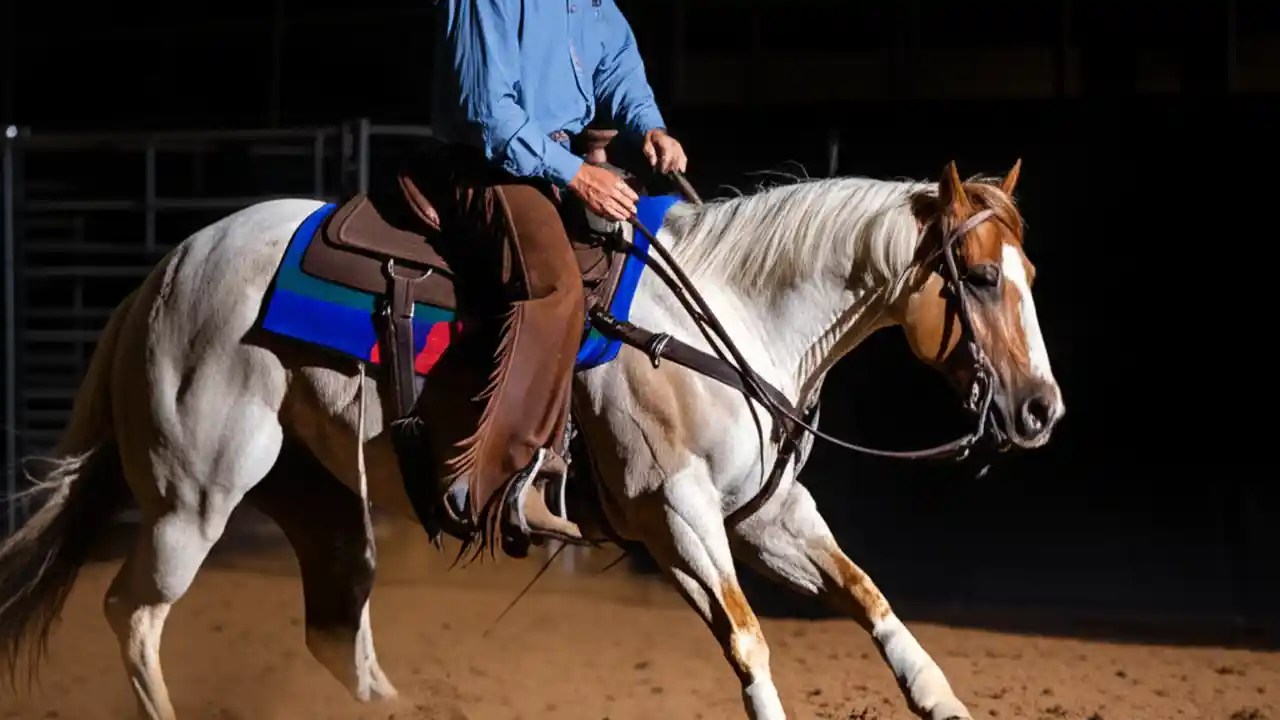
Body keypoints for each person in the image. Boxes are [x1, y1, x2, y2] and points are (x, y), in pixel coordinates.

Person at [418, 0, 688, 556]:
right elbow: (489, 115)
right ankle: (499, 475)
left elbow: (617, 66)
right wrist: (578, 176)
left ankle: (599, 467)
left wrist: (650, 125)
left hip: (557, 164)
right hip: (488, 166)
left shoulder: (592, 4)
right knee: (555, 289)